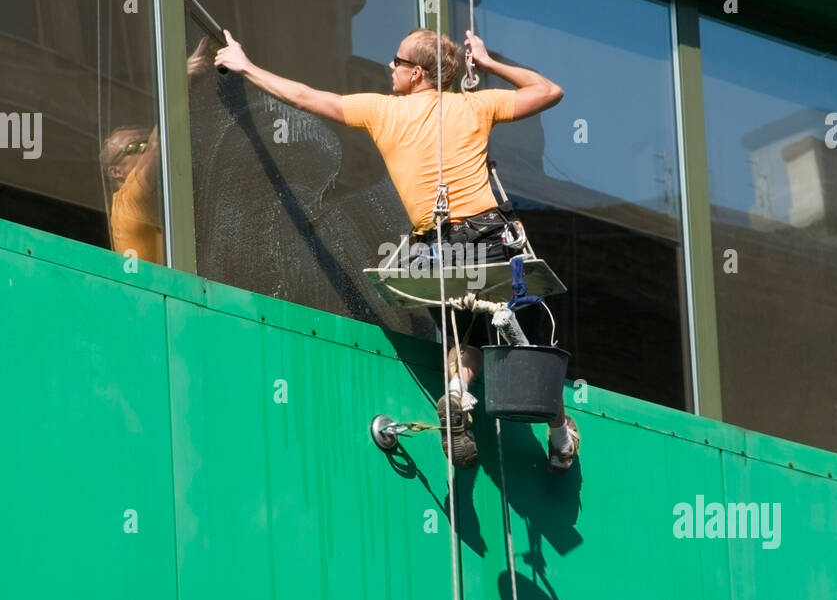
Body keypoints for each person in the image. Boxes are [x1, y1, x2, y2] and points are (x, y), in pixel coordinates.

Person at [213, 25, 580, 472]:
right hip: (489, 241)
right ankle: (561, 437)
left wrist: (246, 67)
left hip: (440, 251)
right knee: (533, 346)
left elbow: (306, 97)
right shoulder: (477, 105)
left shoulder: (381, 113)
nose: (390, 66)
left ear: (419, 74)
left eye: (398, 61)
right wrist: (487, 64)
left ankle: (459, 392)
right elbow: (549, 91)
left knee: (464, 334)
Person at [100, 38, 211, 264]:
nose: (143, 150)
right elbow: (157, 146)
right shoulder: (130, 196)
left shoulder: (137, 205)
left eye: (142, 143)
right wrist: (180, 82)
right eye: (134, 148)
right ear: (115, 172)